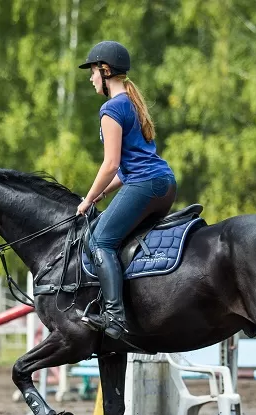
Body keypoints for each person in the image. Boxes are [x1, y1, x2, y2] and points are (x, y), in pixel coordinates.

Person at [75, 41, 177, 339]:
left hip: (145, 185)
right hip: (164, 184)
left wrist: (89, 199)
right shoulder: (132, 103)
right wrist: (105, 192)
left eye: (93, 71)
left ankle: (115, 318)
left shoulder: (111, 109)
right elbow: (125, 167)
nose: (91, 77)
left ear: (105, 71)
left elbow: (110, 164)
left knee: (98, 241)